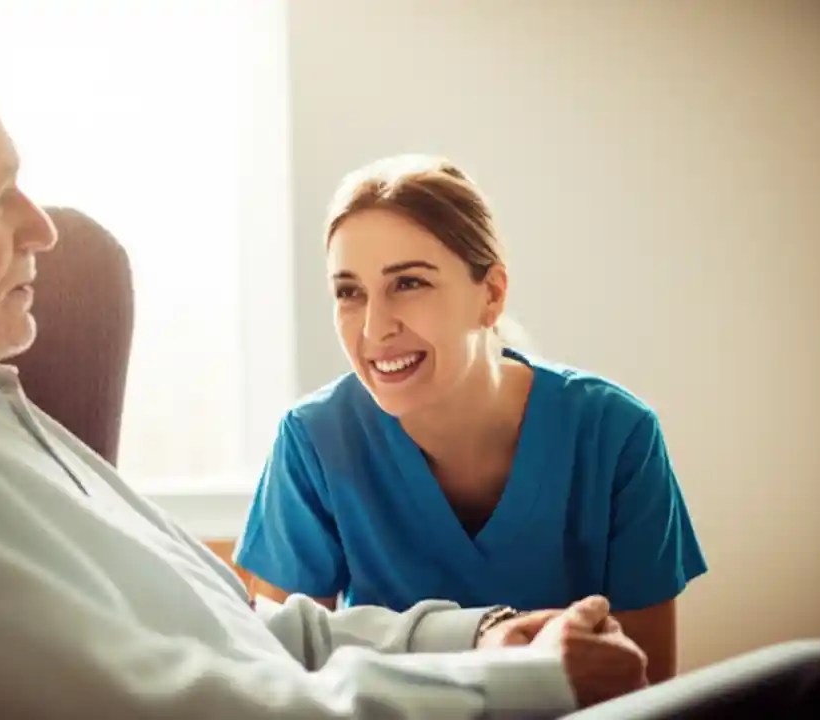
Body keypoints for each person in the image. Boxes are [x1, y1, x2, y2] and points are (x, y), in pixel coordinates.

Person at [0, 42, 820, 720]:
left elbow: (260, 632)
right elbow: (174, 711)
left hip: (427, 692)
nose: (45, 229)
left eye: (409, 283)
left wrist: (484, 633)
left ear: (489, 292)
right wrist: (520, 677)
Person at [235, 155, 705, 682]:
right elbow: (278, 678)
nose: (374, 327)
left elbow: (647, 689)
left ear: (492, 294)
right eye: (349, 292)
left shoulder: (616, 435)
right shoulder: (314, 441)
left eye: (409, 283)